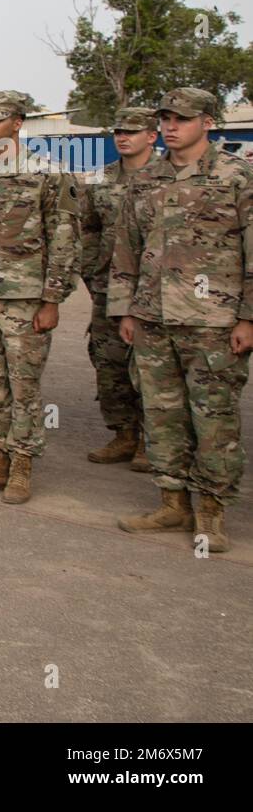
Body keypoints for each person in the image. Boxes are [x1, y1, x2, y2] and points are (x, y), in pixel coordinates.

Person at [110, 88, 253, 552]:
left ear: (208, 123)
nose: (171, 127)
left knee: (214, 420)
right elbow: (126, 246)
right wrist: (126, 308)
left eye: (182, 119)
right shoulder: (147, 179)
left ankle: (211, 513)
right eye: (166, 119)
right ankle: (172, 502)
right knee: (163, 414)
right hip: (152, 317)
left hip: (212, 321)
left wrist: (247, 318)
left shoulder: (236, 175)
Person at [0, 91, 80, 503]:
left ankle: (22, 468)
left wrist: (52, 300)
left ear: (18, 123)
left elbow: (63, 240)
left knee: (23, 387)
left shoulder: (49, 175)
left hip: (25, 301)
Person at [80, 107, 160, 470]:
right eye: (118, 131)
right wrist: (92, 270)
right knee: (108, 361)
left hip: (156, 291)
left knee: (150, 366)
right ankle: (124, 433)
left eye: (132, 131)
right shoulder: (100, 179)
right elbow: (88, 228)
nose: (123, 137)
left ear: (152, 136)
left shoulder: (166, 178)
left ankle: (151, 440)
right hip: (108, 288)